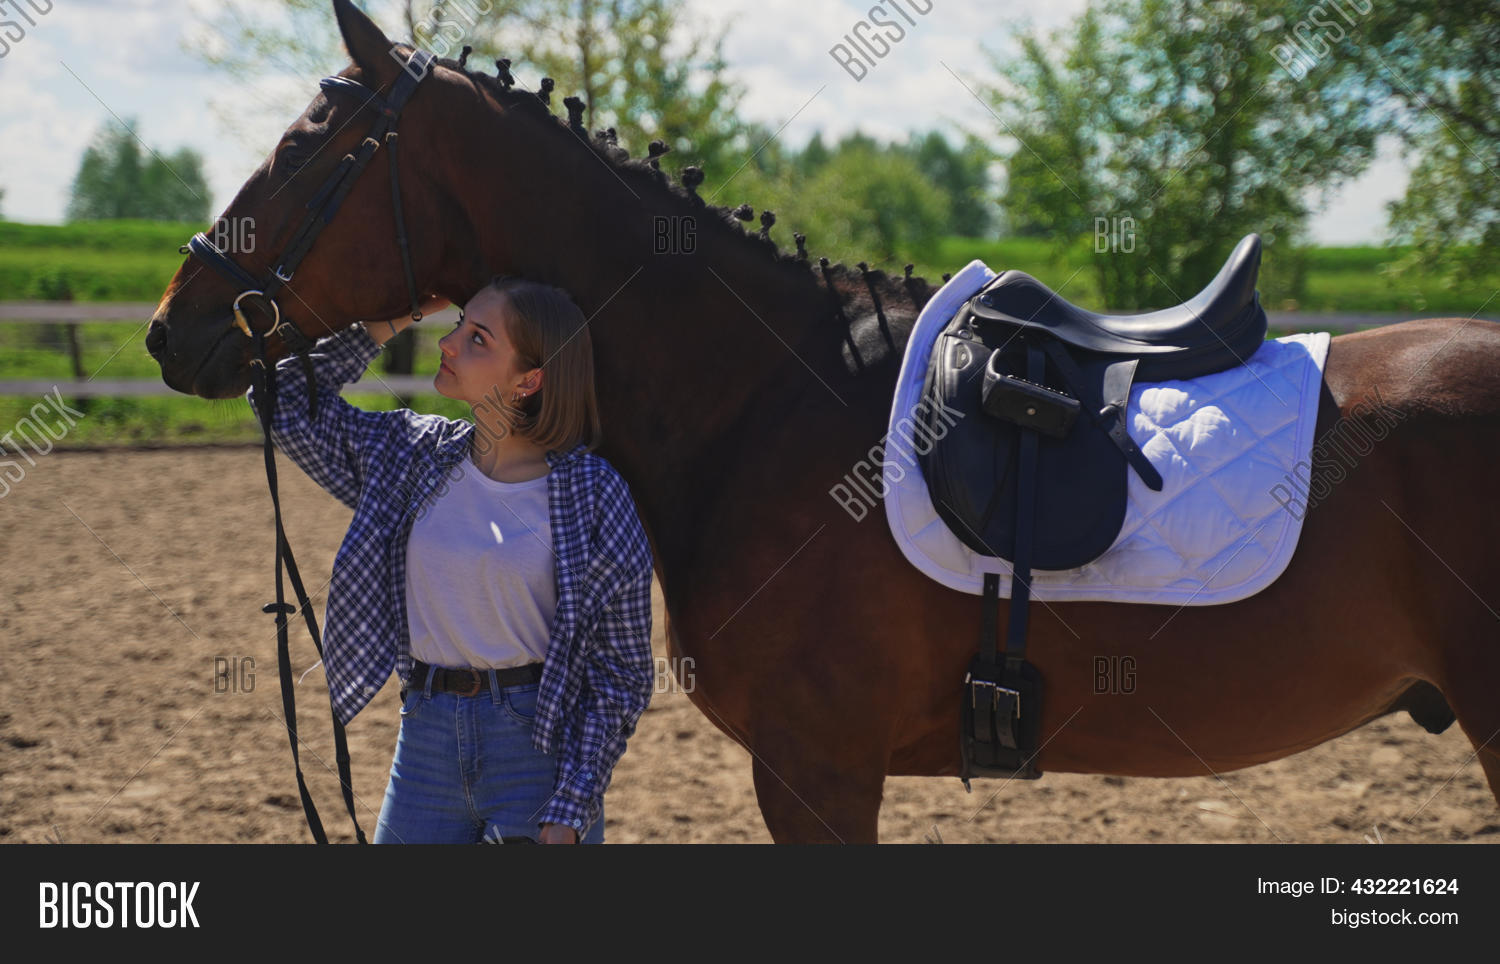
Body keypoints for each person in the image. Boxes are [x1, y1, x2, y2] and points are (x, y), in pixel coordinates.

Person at [245, 275, 655, 844]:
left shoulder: (595, 492)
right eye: (458, 325)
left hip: (537, 751)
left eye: (478, 338)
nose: (447, 343)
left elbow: (622, 672)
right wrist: (393, 319)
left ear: (529, 379)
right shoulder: (411, 453)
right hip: (424, 743)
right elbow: (278, 397)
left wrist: (571, 807)